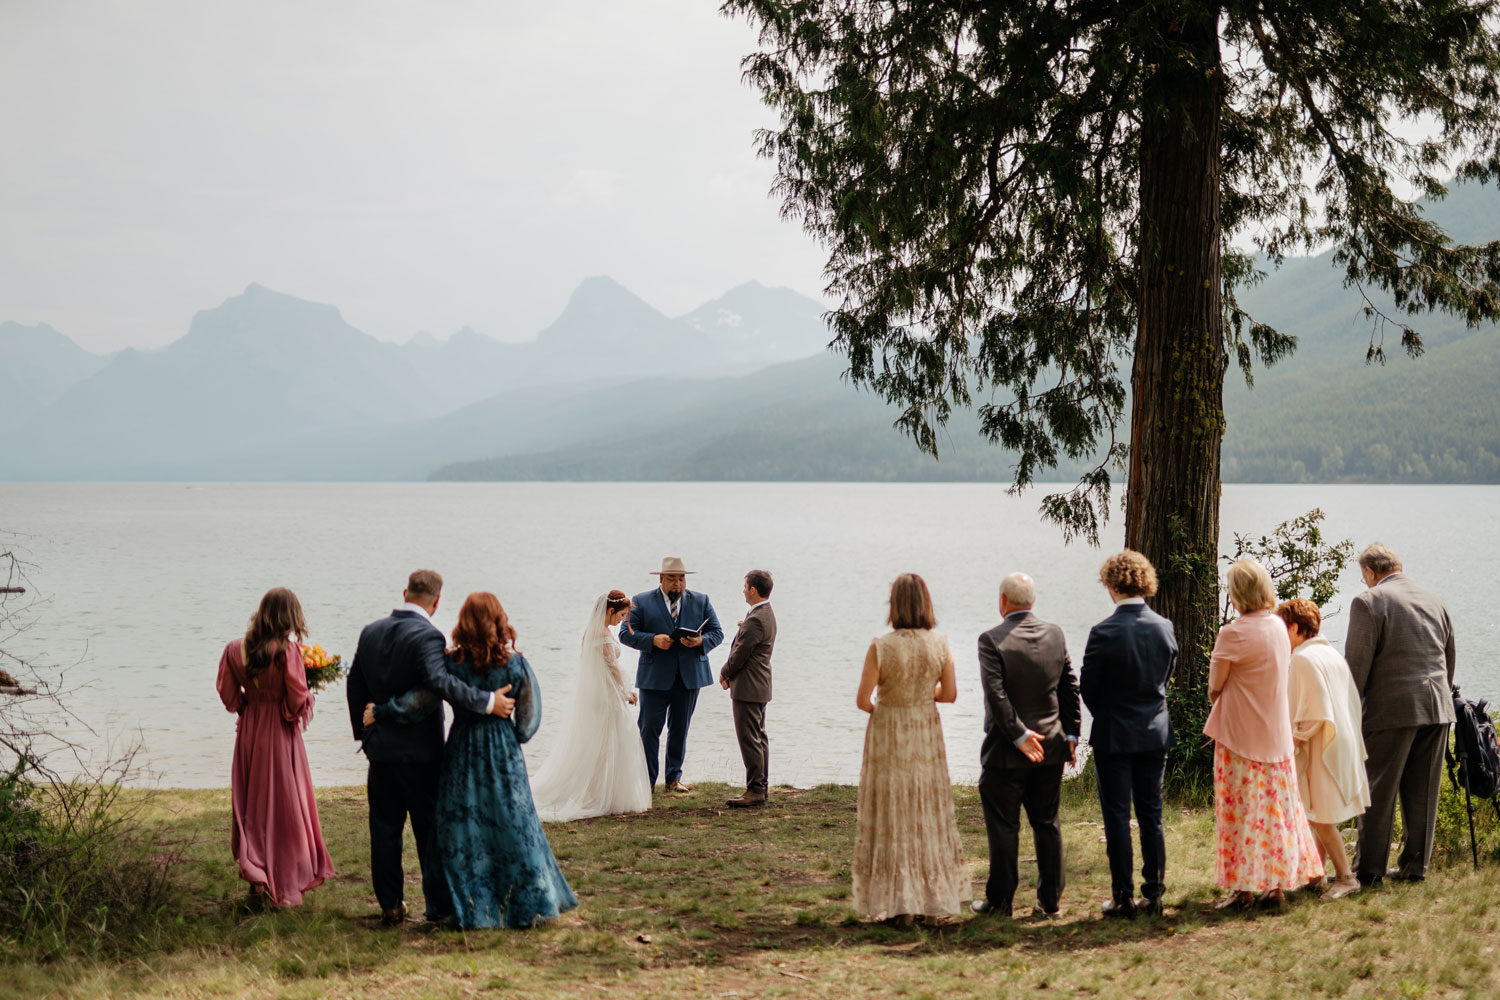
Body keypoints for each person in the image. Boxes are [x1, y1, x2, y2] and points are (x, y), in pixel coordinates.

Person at [367, 593, 577, 929]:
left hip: (462, 750)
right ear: (499, 621)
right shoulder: (515, 663)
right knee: (514, 823)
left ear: (463, 624)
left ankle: (462, 903)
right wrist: (513, 735)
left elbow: (418, 701)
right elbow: (528, 720)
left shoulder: (453, 664)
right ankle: (521, 900)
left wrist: (382, 710)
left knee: (461, 828)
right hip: (503, 753)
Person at [345, 570, 515, 926]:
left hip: (380, 753)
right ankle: (438, 905)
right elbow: (439, 683)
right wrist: (486, 701)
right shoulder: (427, 636)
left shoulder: (371, 631)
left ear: (405, 591)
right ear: (436, 601)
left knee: (384, 829)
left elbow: (355, 683)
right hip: (421, 754)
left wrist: (365, 734)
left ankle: (390, 905)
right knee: (429, 831)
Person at [1205, 559, 1324, 909]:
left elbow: (1215, 687)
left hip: (1240, 735)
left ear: (1238, 593)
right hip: (1277, 733)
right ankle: (1276, 886)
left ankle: (1242, 889)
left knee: (1239, 813)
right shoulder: (1277, 627)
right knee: (1277, 812)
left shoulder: (1233, 633)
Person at [852, 573, 966, 924]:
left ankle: (895, 904)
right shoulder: (940, 644)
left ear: (895, 605)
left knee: (890, 811)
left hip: (889, 731)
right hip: (925, 732)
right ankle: (930, 903)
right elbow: (948, 694)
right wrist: (919, 696)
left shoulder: (881, 646)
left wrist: (887, 708)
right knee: (925, 810)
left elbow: (862, 699)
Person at [1345, 542, 1457, 886]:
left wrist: (1350, 713)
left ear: (1369, 572)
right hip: (1436, 706)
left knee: (1378, 791)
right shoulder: (1433, 599)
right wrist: (1440, 695)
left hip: (1389, 710)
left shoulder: (1369, 601)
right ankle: (1415, 868)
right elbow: (1449, 656)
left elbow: (1356, 667)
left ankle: (1370, 870)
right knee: (1423, 792)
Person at [215, 587, 334, 907]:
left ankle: (256, 875)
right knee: (283, 805)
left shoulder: (232, 649)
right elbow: (296, 697)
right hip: (280, 733)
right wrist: (305, 698)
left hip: (250, 730)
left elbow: (227, 695)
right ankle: (282, 879)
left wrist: (248, 706)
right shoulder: (288, 651)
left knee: (252, 803)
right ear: (289, 617)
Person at [972, 572, 1079, 920]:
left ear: (1003, 600)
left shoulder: (991, 639)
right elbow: (1069, 687)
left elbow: (996, 695)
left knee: (1005, 826)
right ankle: (1050, 902)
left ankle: (1001, 902)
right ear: (1032, 602)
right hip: (1050, 746)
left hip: (1006, 751)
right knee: (1047, 822)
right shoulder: (1055, 634)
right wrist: (1072, 735)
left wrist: (1019, 735)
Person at [1080, 550, 1177, 918]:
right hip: (1154, 731)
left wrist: (1107, 714)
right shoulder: (1163, 627)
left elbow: (1088, 688)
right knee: (1152, 814)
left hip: (1114, 734)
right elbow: (1166, 676)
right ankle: (1153, 894)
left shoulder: (1103, 631)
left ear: (1111, 585)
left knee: (1117, 816)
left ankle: (1122, 895)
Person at [529, 590, 652, 821]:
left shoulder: (592, 632)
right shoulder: (603, 635)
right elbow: (613, 668)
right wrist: (626, 692)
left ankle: (599, 791)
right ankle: (599, 795)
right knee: (609, 744)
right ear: (610, 611)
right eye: (621, 615)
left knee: (601, 744)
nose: (622, 621)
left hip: (598, 694)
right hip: (607, 697)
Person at [1276, 598, 1369, 900]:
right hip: (1342, 739)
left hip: (1321, 743)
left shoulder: (1302, 659)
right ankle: (1316, 874)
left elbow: (1316, 713)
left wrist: (1293, 741)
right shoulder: (1330, 654)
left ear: (1293, 627)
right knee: (1317, 812)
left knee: (1319, 816)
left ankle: (1345, 878)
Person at [618, 557, 724, 792]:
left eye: (681, 578)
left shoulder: (701, 600)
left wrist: (699, 641)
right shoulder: (641, 601)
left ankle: (674, 779)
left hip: (689, 678)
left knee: (679, 729)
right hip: (654, 677)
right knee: (648, 729)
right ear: (661, 579)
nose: (678, 583)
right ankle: (646, 781)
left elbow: (717, 633)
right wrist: (653, 640)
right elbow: (625, 634)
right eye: (673, 578)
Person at [719, 569, 778, 808]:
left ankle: (755, 789)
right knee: (759, 737)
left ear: (753, 590)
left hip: (749, 686)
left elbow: (741, 653)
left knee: (749, 738)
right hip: (759, 684)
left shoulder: (756, 619)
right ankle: (760, 786)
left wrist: (725, 673)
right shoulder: (766, 613)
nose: (743, 590)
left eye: (745, 586)